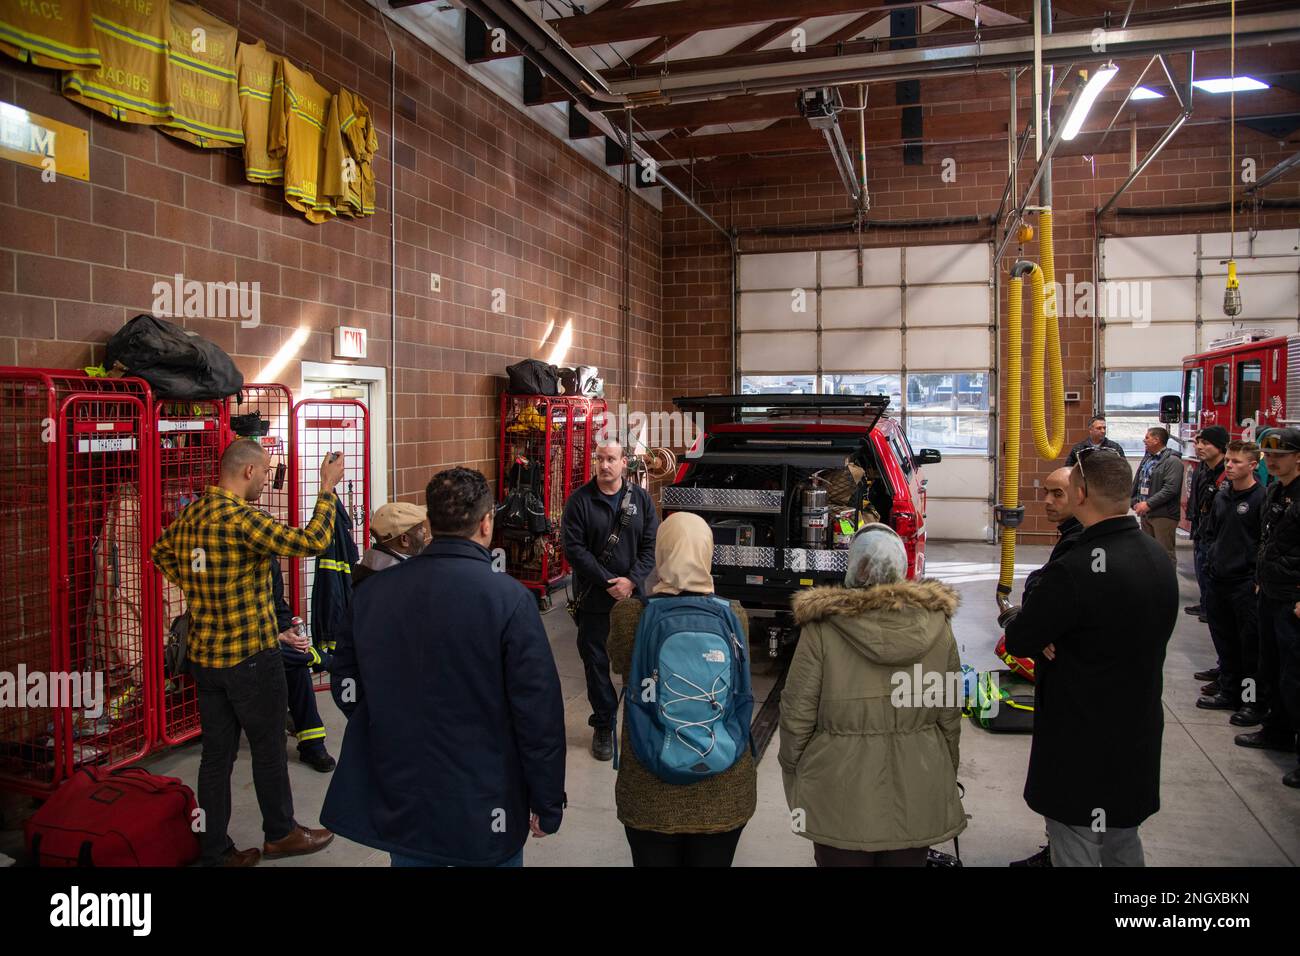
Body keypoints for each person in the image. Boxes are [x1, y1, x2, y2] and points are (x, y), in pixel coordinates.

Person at [320, 467, 567, 865]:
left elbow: (345, 677)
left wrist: (385, 722)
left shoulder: (372, 593)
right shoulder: (509, 600)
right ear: (487, 524)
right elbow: (538, 712)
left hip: (404, 789)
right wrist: (547, 800)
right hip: (486, 797)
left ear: (431, 524)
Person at [150, 439, 344, 867]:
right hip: (252, 658)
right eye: (265, 472)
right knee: (268, 747)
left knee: (215, 757)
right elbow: (312, 540)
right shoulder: (242, 520)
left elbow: (160, 554)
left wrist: (202, 587)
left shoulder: (191, 514)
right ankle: (281, 834)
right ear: (247, 472)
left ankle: (215, 849)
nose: (266, 479)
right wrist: (326, 490)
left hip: (206, 660)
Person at [1003, 450, 1176, 866]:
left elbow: (1022, 638)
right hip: (1136, 733)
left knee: (1075, 844)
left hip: (1082, 742)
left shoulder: (1077, 569)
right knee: (1121, 840)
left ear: (1080, 493)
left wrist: (1031, 623)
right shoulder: (1157, 557)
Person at [780, 524, 965, 867]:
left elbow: (796, 714)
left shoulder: (822, 628)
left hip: (839, 791)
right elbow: (949, 714)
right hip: (918, 785)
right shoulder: (938, 626)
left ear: (853, 567)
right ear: (902, 568)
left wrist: (796, 770)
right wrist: (941, 767)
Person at [608, 512, 756, 867]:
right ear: (707, 553)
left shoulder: (630, 615)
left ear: (661, 554)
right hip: (723, 788)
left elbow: (618, 663)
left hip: (649, 786)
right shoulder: (735, 615)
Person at [562, 440, 658, 761]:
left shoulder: (641, 500)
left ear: (624, 463)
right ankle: (603, 724)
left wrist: (631, 581)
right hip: (593, 599)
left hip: (633, 598)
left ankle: (640, 724)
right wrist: (608, 582)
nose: (605, 465)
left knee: (639, 663)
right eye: (600, 459)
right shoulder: (579, 502)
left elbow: (650, 545)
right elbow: (574, 550)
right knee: (596, 664)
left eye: (611, 459)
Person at [1009, 465, 1084, 869]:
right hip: (1070, 692)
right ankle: (1058, 849)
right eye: (1046, 493)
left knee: (1070, 782)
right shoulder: (1075, 538)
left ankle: (1063, 855)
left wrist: (1042, 617)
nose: (1048, 502)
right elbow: (1043, 584)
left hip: (1076, 695)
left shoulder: (1083, 546)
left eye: (1058, 494)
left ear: (1083, 495)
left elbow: (1025, 629)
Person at [1238, 428, 1300, 789]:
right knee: (1271, 665)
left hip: (1293, 598)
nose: (1272, 461)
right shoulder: (1275, 490)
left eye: (1280, 454)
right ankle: (1276, 730)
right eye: (1268, 455)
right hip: (1271, 591)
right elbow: (1269, 540)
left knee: (1296, 675)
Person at [330, 501, 430, 717]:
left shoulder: (370, 573)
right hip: (393, 707)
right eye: (420, 529)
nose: (425, 533)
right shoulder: (396, 585)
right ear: (404, 539)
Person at [1198, 441, 1265, 724]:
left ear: (1252, 465)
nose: (1229, 466)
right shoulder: (1223, 497)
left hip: (1244, 584)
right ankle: (1228, 691)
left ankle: (1249, 702)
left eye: (1237, 462)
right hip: (1218, 579)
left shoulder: (1262, 498)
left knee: (1248, 648)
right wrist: (1212, 559)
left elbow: (1265, 541)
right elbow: (1210, 532)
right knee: (1224, 641)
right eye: (1228, 461)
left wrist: (1255, 577)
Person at [269, 561, 334, 772]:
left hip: (268, 642)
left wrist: (288, 632)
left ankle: (313, 745)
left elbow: (278, 606)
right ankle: (319, 659)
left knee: (296, 665)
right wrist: (278, 636)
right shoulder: (227, 560)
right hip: (235, 648)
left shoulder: (268, 560)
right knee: (293, 656)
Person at [1185, 426, 1229, 624]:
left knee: (1211, 576)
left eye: (1205, 443)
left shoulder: (1227, 476)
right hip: (1202, 530)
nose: (1199, 447)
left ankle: (1211, 608)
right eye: (1197, 443)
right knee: (1202, 573)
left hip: (1218, 539)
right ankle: (1205, 604)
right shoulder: (1204, 471)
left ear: (1220, 447)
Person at [1131, 426, 1184, 566]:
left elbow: (1170, 489)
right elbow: (1139, 480)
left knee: (1165, 554)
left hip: (1163, 515)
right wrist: (1135, 500)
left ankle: (1168, 586)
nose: (1144, 440)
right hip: (1146, 513)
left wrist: (1148, 504)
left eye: (1147, 437)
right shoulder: (1148, 458)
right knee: (1149, 552)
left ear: (1157, 440)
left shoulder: (1173, 461)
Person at [352, 501, 430, 588]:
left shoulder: (368, 569)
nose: (424, 531)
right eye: (420, 529)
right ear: (404, 540)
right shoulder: (402, 581)